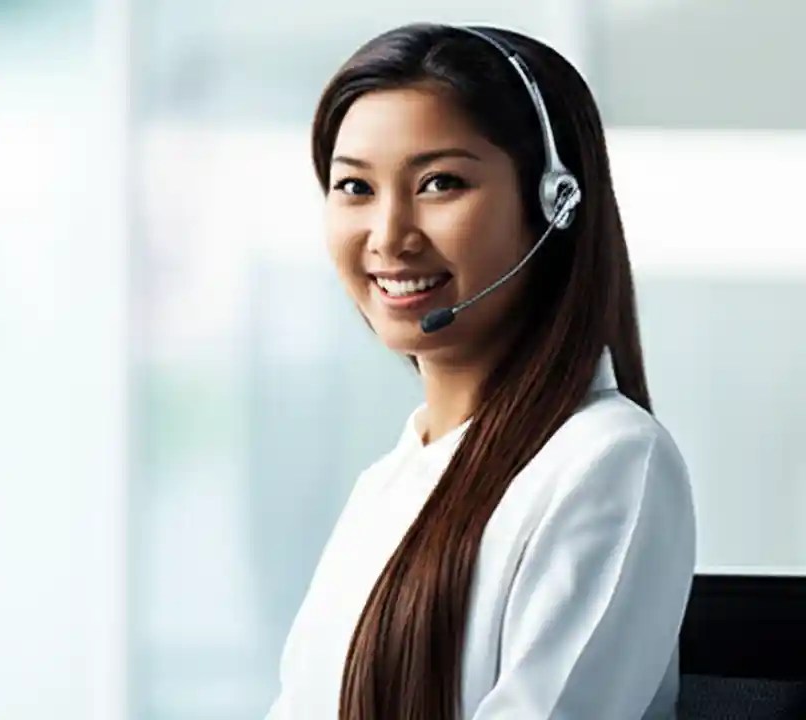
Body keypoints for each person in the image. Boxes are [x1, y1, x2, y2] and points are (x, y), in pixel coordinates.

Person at [266, 23, 696, 719]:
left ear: (554, 203)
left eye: (440, 183)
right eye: (354, 187)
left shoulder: (608, 462)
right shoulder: (388, 483)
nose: (388, 236)